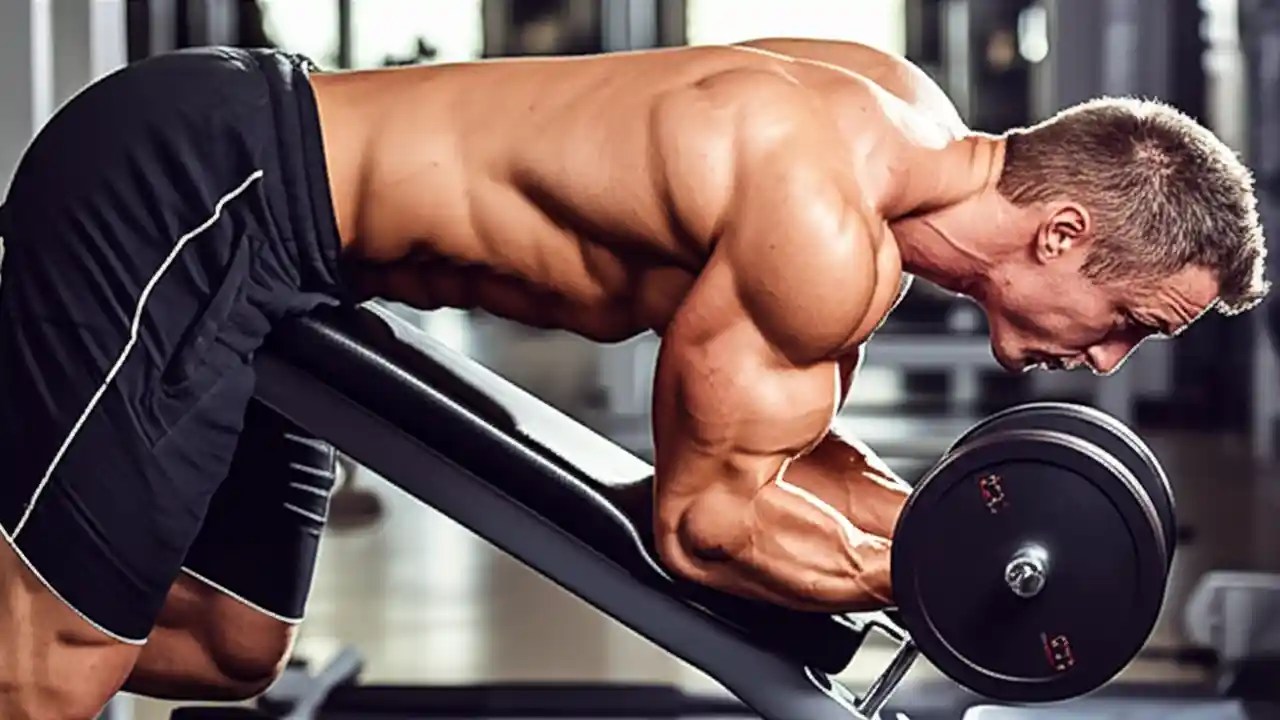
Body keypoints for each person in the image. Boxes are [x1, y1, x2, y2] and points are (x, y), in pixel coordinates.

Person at [0, 37, 1266, 718]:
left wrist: (936, 536)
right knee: (57, 672)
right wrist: (938, 576)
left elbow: (801, 451)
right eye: (1125, 324)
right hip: (210, 187)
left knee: (228, 650)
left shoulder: (898, 134)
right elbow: (704, 523)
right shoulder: (821, 229)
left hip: (301, 257)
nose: (1101, 362)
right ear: (1061, 235)